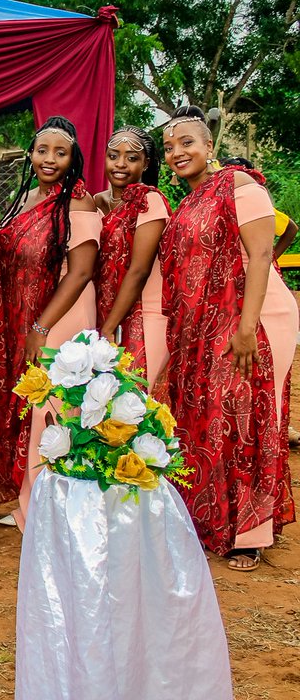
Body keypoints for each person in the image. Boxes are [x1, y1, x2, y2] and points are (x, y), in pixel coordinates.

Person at [159, 106, 297, 571]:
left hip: (252, 319)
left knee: (246, 417)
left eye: (187, 144)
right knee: (210, 417)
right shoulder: (191, 199)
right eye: (170, 148)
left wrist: (244, 329)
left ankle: (249, 532)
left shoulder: (241, 186)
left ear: (209, 146)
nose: (178, 153)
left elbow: (261, 256)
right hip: (206, 325)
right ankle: (212, 517)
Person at [0, 116, 100, 529]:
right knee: (34, 405)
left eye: (60, 152)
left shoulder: (78, 203)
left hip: (61, 314)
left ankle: (46, 509)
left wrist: (41, 327)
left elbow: (81, 272)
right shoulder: (28, 199)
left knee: (51, 409)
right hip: (26, 310)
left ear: (74, 158)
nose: (49, 159)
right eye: (42, 150)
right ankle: (29, 498)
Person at [93, 126, 171, 387]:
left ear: (146, 163)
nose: (120, 164)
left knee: (134, 398)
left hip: (141, 314)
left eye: (132, 158)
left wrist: (108, 327)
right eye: (113, 156)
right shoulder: (95, 202)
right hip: (102, 309)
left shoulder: (149, 202)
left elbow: (139, 270)